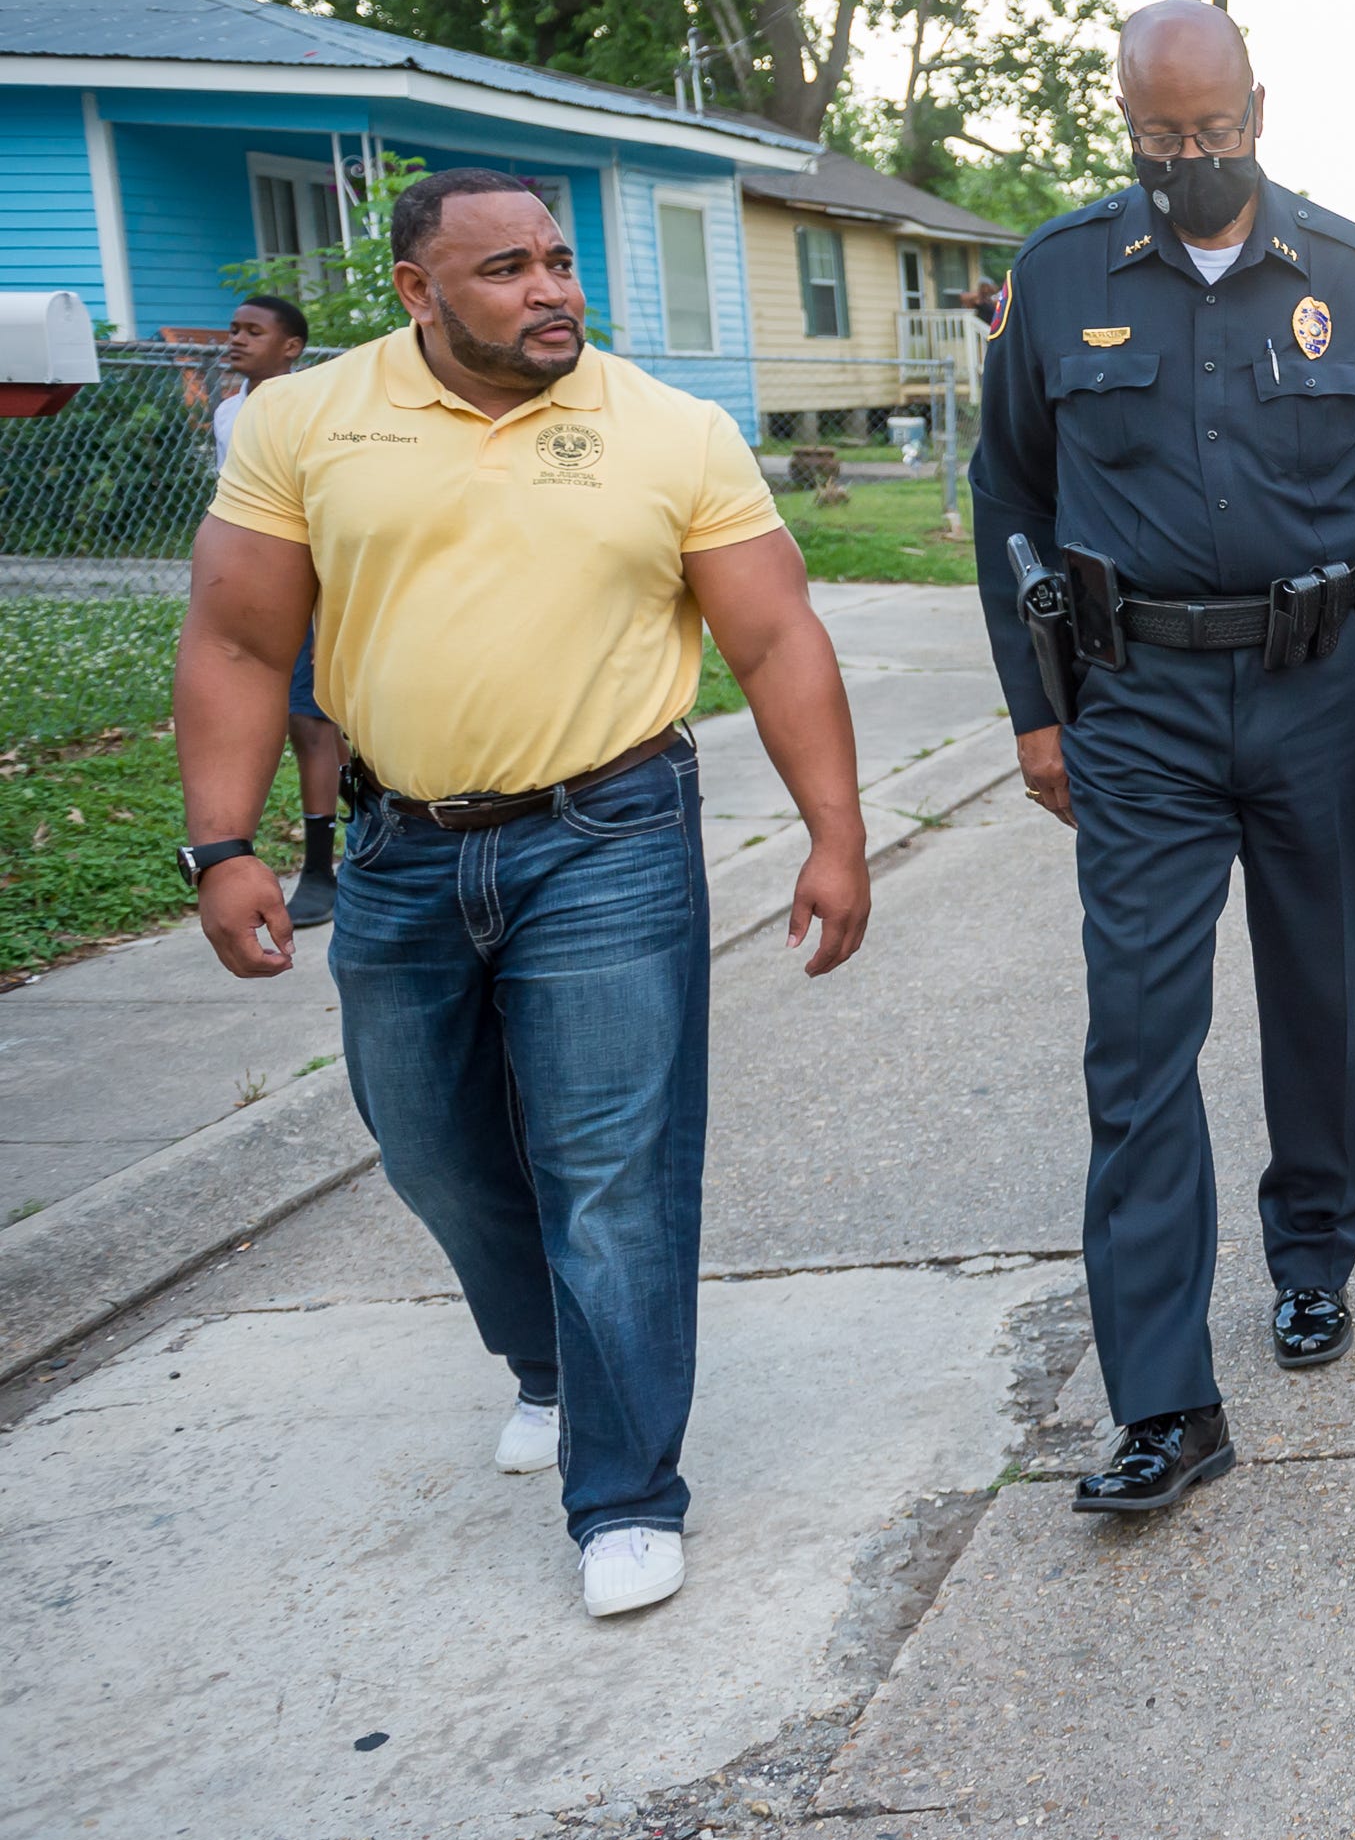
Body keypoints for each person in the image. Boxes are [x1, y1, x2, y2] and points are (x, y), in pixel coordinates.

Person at [178, 168, 872, 1616]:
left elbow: (778, 634)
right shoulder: (310, 422)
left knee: (611, 1165)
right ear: (417, 292)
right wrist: (225, 840)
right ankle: (551, 1364)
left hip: (609, 832)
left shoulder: (667, 428)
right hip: (402, 845)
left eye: (559, 260)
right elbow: (242, 642)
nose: (550, 289)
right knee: (425, 1140)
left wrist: (836, 833)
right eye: (504, 270)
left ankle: (623, 1488)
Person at [974, 1, 1355, 1515]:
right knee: (1136, 1037)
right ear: (1122, 115)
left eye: (1213, 132)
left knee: (1318, 989)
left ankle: (1314, 1252)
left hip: (1320, 687)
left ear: (1259, 107)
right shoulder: (1058, 276)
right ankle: (1160, 1400)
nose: (1189, 161)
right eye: (1159, 135)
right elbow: (1008, 493)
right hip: (1133, 706)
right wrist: (1034, 702)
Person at [212, 294, 345, 928]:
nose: (236, 340)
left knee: (321, 723)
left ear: (290, 347)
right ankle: (327, 859)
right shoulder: (228, 413)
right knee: (303, 723)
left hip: (326, 591)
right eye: (233, 330)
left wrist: (327, 615)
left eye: (253, 331)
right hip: (266, 590)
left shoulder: (315, 410)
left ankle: (325, 865)